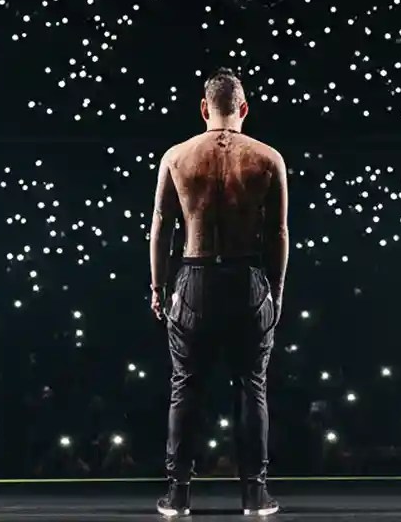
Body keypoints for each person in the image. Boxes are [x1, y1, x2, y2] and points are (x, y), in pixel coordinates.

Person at [150, 67, 288, 517]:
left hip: (194, 278)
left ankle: (178, 495)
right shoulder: (268, 157)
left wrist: (159, 287)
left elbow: (160, 231)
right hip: (247, 279)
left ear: (204, 108)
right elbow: (279, 234)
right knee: (252, 387)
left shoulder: (177, 156)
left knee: (185, 388)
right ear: (244, 109)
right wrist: (276, 291)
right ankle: (254, 495)